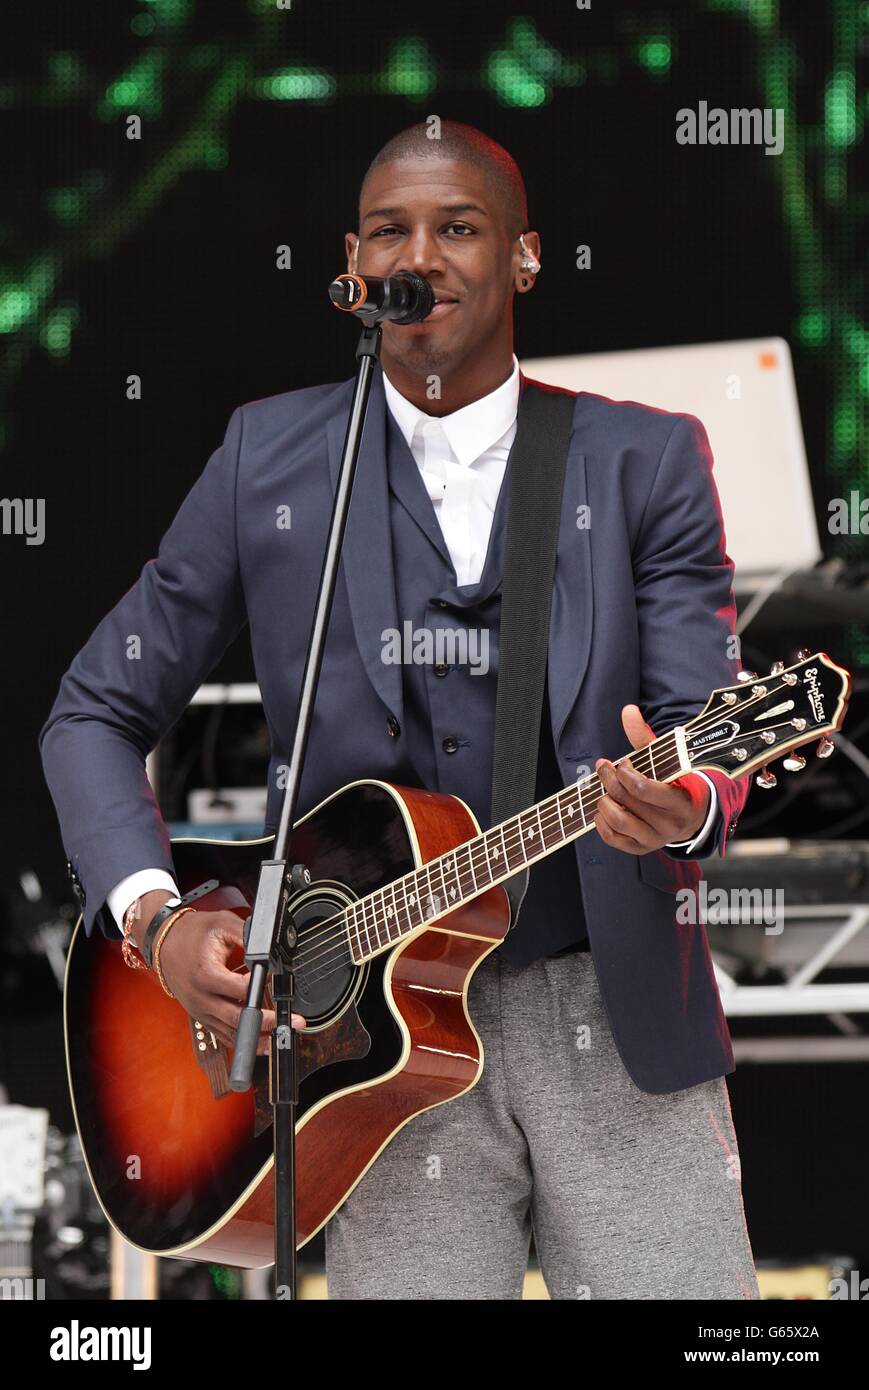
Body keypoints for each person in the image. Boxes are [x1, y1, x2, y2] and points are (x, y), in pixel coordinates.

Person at [41, 119, 758, 1299]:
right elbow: (91, 711)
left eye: (458, 228)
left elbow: (702, 724)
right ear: (353, 265)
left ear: (524, 259)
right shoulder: (267, 461)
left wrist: (679, 804)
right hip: (362, 1049)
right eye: (390, 232)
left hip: (609, 1010)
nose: (419, 253)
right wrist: (157, 923)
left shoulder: (643, 462)